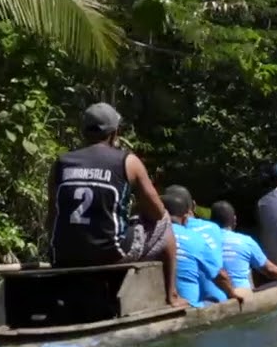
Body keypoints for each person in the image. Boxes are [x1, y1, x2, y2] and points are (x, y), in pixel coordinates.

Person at [45, 102, 186, 307]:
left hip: (63, 256)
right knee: (165, 221)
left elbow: (52, 217)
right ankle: (172, 296)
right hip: (110, 254)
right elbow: (156, 211)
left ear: (83, 132)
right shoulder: (127, 161)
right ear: (114, 132)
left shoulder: (61, 163)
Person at [163, 190, 241, 307]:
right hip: (190, 305)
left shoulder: (149, 236)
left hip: (159, 304)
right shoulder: (195, 237)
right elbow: (220, 276)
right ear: (185, 218)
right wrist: (233, 295)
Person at [210, 201, 277, 295]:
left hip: (213, 297)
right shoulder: (246, 241)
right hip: (241, 294)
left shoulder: (203, 242)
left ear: (211, 222)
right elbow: (270, 270)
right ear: (234, 219)